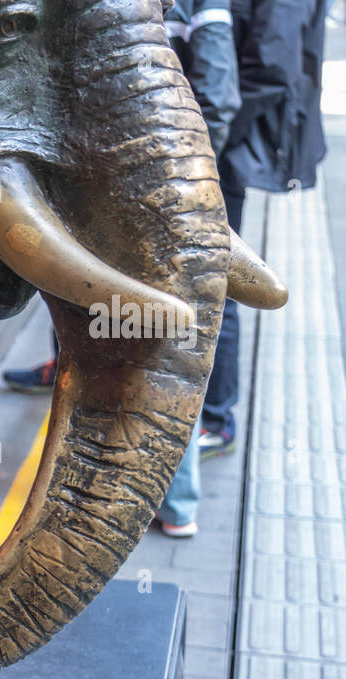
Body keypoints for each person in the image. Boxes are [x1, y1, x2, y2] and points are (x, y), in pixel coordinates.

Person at [2, 0, 240, 536]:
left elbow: (219, 97)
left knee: (158, 346)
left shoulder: (204, 8)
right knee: (123, 333)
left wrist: (185, 189)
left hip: (154, 202)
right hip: (114, 190)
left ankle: (167, 499)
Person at [199, 0, 330, 458]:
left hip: (223, 145)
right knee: (214, 278)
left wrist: (210, 138)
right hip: (224, 136)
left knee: (216, 281)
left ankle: (216, 417)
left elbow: (272, 66)